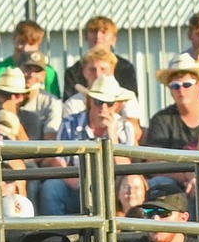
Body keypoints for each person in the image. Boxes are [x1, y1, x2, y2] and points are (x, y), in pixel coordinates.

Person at [40, 74, 137, 218]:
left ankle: (129, 235)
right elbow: (58, 160)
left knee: (131, 186)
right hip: (75, 187)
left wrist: (112, 136)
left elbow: (126, 168)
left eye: (109, 103)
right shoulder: (69, 124)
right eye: (98, 101)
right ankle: (56, 237)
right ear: (90, 101)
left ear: (117, 105)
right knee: (51, 187)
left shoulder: (124, 127)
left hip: (112, 191)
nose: (103, 108)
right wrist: (73, 180)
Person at [59, 16, 141, 111]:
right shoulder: (73, 71)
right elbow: (71, 105)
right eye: (94, 32)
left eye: (104, 32)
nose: (98, 36)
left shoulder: (125, 68)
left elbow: (130, 101)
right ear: (86, 37)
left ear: (114, 39)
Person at [0, 19, 61, 103]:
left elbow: (54, 102)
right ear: (13, 40)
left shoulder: (49, 72)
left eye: (31, 44)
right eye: (21, 42)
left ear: (39, 45)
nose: (25, 48)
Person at [146, 59, 199, 150]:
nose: (181, 90)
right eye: (175, 86)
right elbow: (154, 161)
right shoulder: (161, 120)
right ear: (170, 89)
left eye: (187, 84)